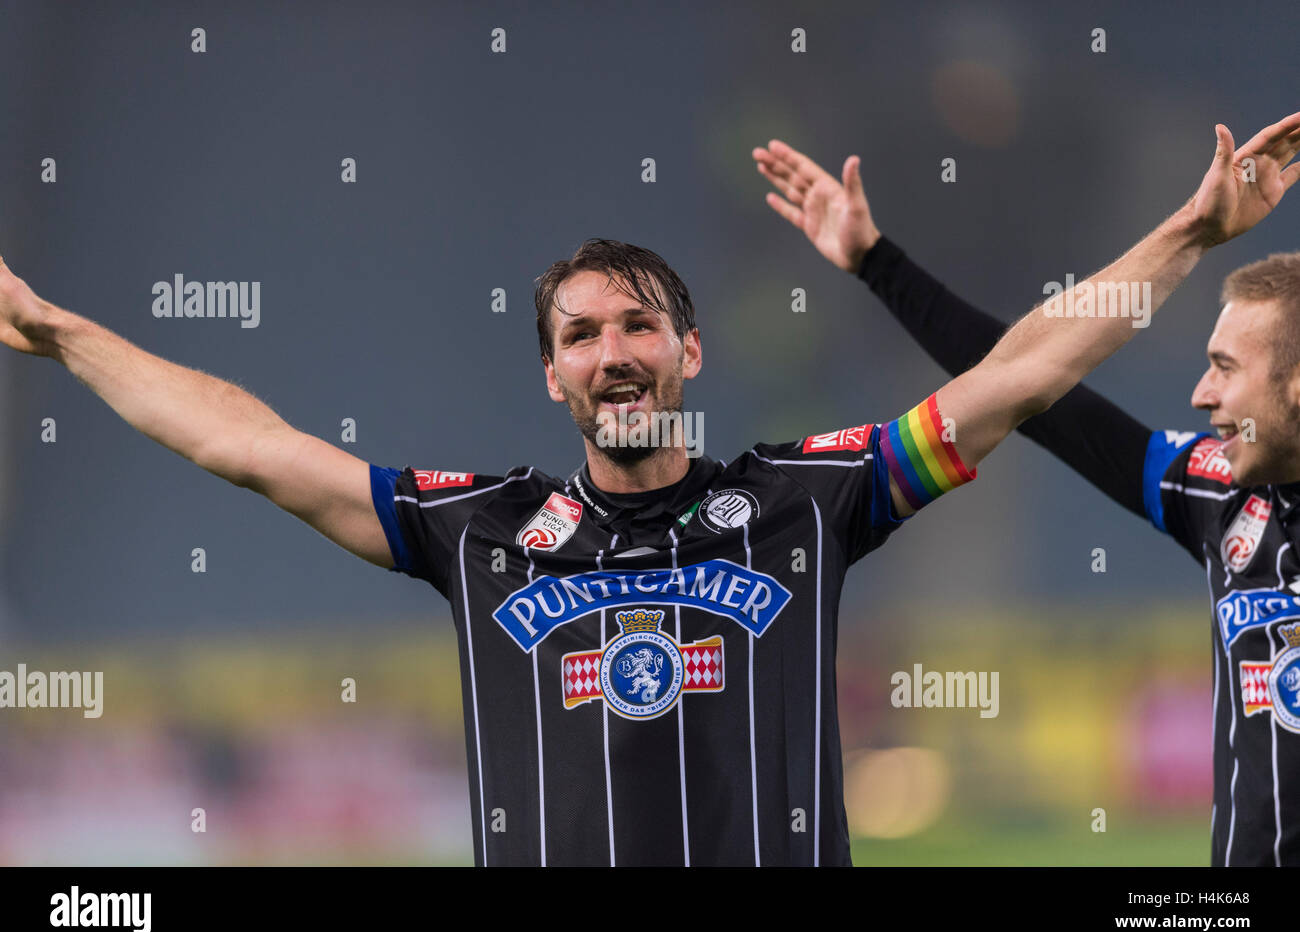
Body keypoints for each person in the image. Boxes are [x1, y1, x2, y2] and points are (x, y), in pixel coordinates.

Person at [2, 113, 1296, 866]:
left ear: (690, 351)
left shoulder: (806, 502)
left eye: (638, 324)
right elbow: (248, 442)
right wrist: (64, 332)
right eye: (580, 334)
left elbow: (1024, 379)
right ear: (552, 375)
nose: (611, 351)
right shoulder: (481, 531)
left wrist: (1187, 234)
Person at [753, 117, 1300, 866]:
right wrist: (878, 264)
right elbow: (1022, 390)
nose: (1203, 394)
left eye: (1227, 368)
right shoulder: (1219, 497)